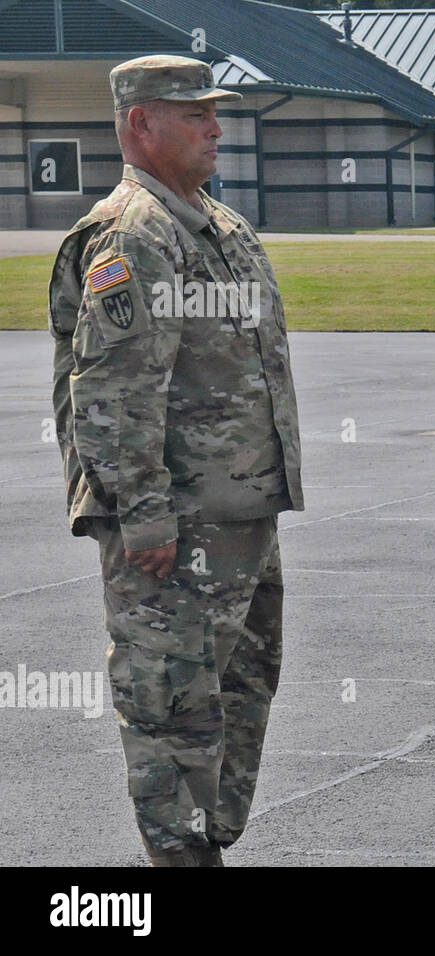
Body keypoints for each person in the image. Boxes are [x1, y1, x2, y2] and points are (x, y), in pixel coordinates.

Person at [48, 55, 302, 867]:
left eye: (214, 113)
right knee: (172, 710)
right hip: (175, 527)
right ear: (140, 125)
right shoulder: (133, 235)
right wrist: (144, 512)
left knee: (237, 694)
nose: (214, 128)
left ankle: (206, 847)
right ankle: (179, 861)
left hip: (240, 513)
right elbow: (113, 391)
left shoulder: (216, 224)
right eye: (194, 115)